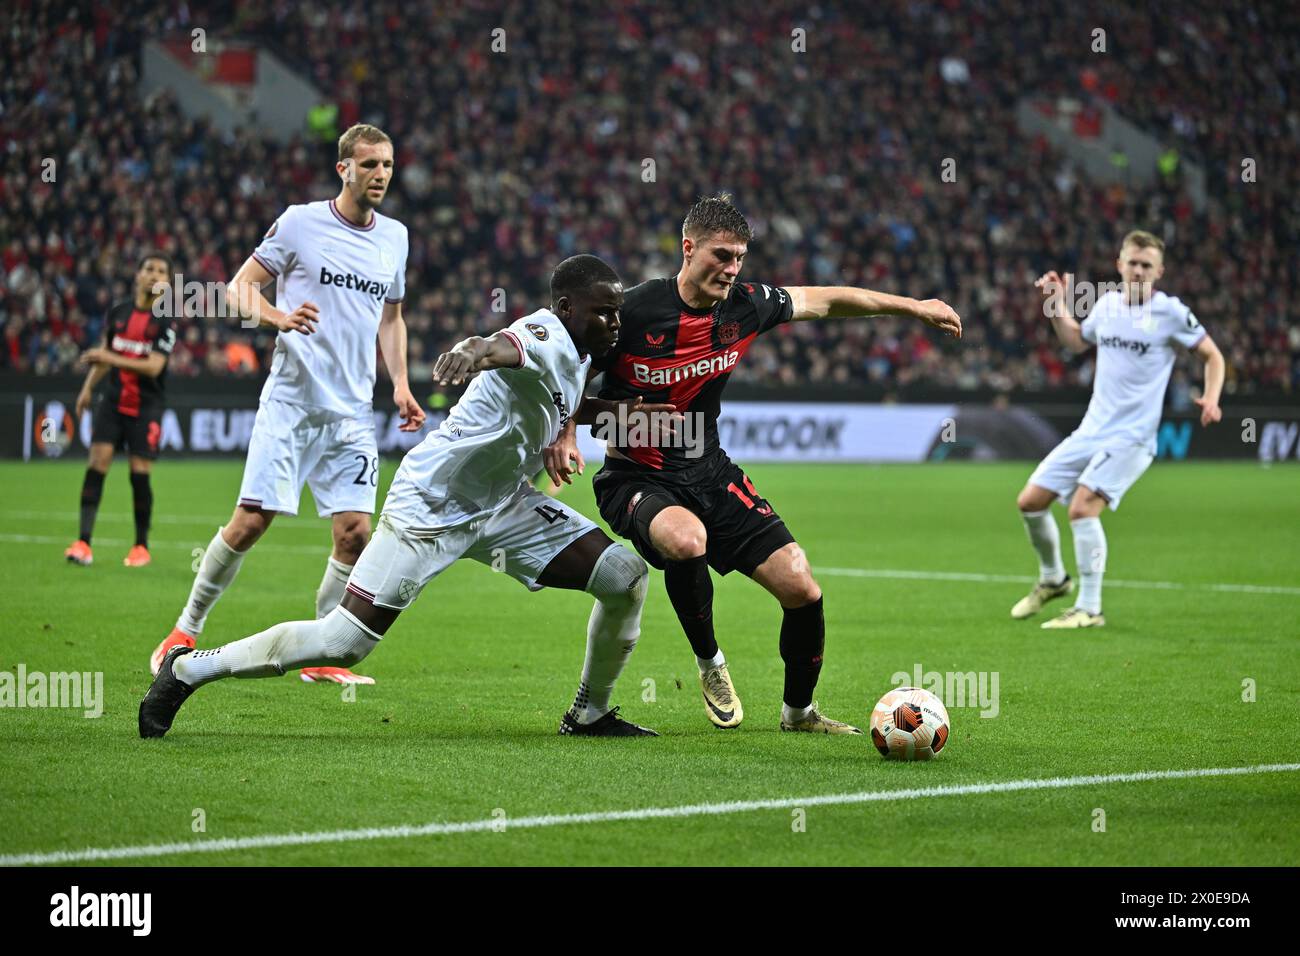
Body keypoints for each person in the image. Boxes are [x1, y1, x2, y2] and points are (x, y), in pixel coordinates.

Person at [140, 255, 658, 739]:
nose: (615, 324)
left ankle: (590, 713)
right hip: (431, 503)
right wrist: (469, 352)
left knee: (624, 577)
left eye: (617, 315)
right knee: (344, 643)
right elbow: (497, 345)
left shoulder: (581, 350)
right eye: (604, 314)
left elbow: (562, 398)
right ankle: (189, 669)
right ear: (566, 308)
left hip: (503, 504)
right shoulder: (542, 333)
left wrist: (620, 416)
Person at [545, 195, 961, 732]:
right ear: (688, 248)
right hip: (635, 476)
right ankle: (711, 665)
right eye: (722, 255)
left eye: (740, 257)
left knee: (801, 585)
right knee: (685, 540)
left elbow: (829, 301)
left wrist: (914, 306)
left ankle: (799, 713)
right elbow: (569, 375)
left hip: (709, 469)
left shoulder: (746, 304)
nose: (732, 268)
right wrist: (569, 429)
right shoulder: (635, 312)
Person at [148, 123, 424, 685]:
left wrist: (399, 382)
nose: (380, 175)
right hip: (293, 404)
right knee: (251, 521)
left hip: (350, 413)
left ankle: (321, 650)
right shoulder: (300, 222)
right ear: (343, 168)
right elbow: (238, 287)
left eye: (388, 165)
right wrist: (278, 317)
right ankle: (184, 630)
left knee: (354, 534)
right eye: (369, 164)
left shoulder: (394, 237)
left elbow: (392, 318)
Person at [1014, 230, 1224, 627]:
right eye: (1133, 263)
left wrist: (1212, 397)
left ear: (1159, 271)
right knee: (1030, 502)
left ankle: (1090, 609)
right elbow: (1077, 343)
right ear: (1120, 265)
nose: (1139, 271)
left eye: (1147, 265)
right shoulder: (1107, 306)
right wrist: (1058, 306)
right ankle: (1053, 579)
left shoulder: (1172, 313)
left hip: (1133, 438)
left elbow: (1213, 356)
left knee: (1082, 508)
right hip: (1092, 430)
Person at [65, 253, 175, 568]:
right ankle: (83, 542)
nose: (155, 275)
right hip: (112, 402)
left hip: (146, 407)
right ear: (137, 275)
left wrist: (110, 359)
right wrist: (87, 388)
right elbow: (106, 356)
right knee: (96, 463)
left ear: (167, 282)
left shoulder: (165, 321)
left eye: (162, 272)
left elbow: (153, 367)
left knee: (139, 474)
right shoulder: (118, 314)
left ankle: (141, 546)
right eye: (149, 269)